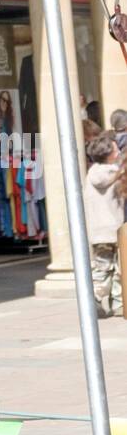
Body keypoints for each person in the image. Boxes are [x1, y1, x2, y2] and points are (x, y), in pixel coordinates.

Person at [83, 132, 125, 319]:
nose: (118, 151)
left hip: (111, 230)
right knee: (103, 268)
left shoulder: (106, 171)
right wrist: (120, 173)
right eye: (115, 148)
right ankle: (95, 298)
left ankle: (119, 303)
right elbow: (104, 181)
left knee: (118, 269)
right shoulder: (100, 172)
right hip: (105, 231)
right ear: (107, 153)